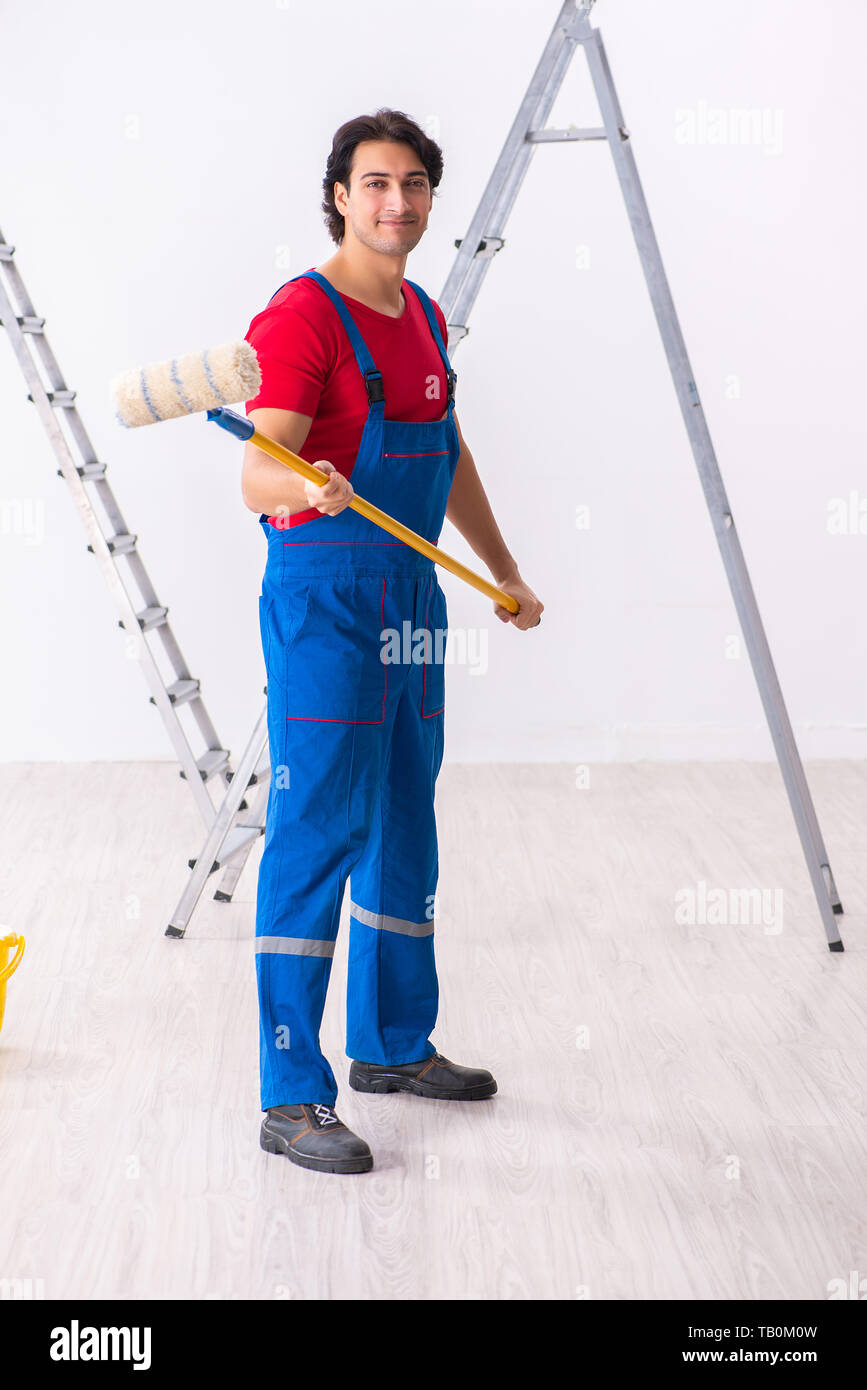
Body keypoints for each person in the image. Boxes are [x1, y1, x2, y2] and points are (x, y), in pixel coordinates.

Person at [241, 107, 544, 1175]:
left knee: (406, 812)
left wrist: (502, 570)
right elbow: (254, 472)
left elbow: (447, 453)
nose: (397, 203)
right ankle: (290, 1093)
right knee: (319, 824)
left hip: (415, 590)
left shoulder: (420, 312)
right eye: (375, 183)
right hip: (327, 594)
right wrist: (308, 485)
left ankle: (392, 1046)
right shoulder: (302, 317)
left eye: (413, 184)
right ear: (339, 194)